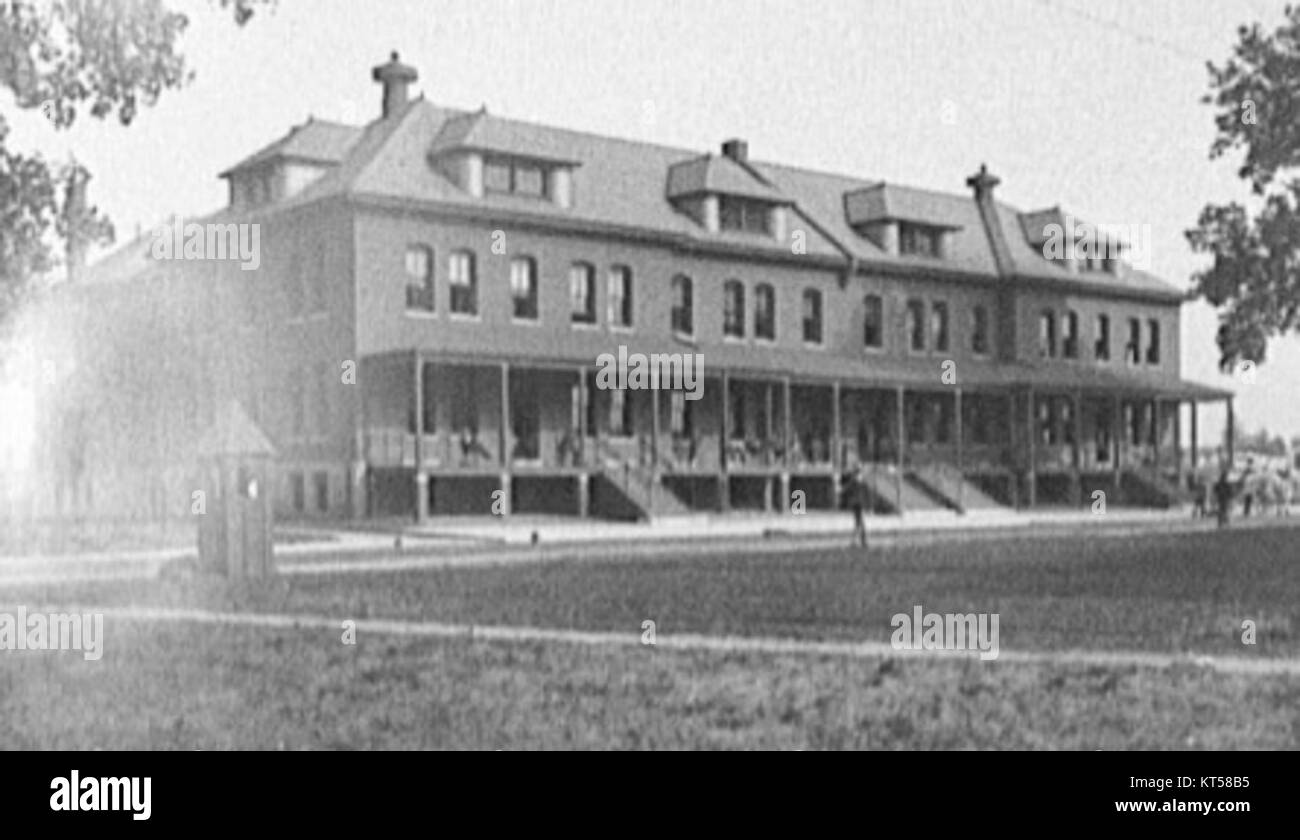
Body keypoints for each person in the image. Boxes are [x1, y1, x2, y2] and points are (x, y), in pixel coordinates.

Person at [849, 464, 868, 550]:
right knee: (860, 523)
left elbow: (849, 488)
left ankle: (857, 541)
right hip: (859, 503)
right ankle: (861, 542)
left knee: (858, 523)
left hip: (855, 503)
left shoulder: (854, 480)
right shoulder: (859, 480)